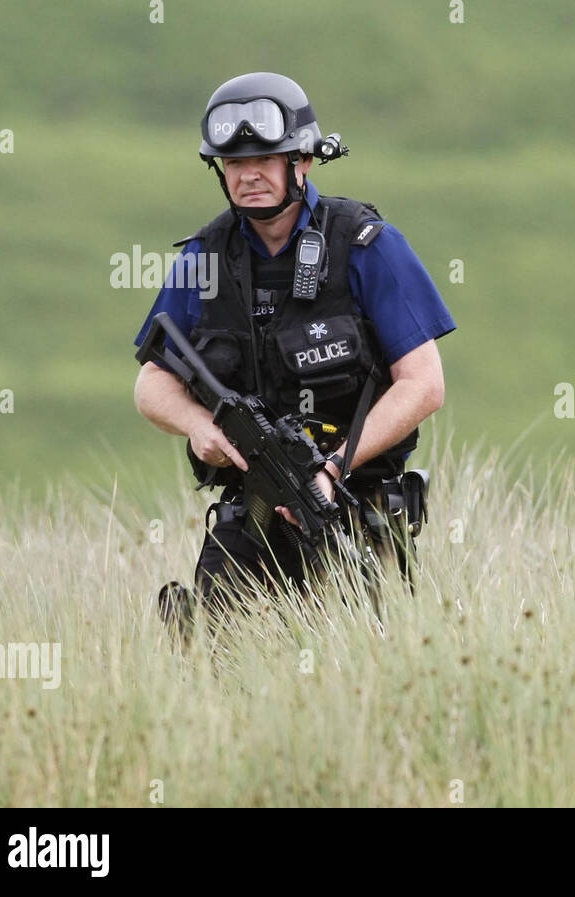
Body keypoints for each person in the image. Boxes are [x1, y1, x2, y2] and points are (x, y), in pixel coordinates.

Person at [133, 72, 455, 628]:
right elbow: (151, 385)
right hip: (250, 504)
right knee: (211, 649)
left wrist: (332, 469)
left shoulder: (366, 247)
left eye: (264, 159)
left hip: (355, 504)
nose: (248, 176)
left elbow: (424, 384)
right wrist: (199, 429)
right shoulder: (204, 260)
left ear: (302, 161)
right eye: (234, 164)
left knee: (369, 659)